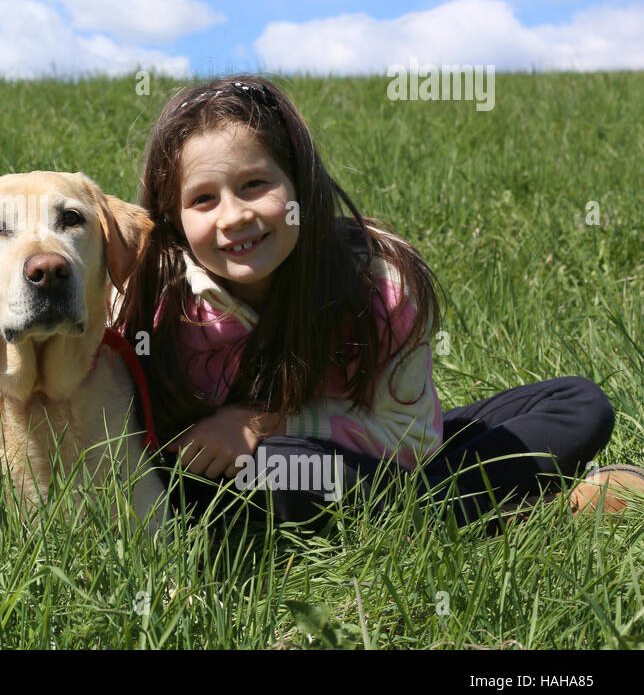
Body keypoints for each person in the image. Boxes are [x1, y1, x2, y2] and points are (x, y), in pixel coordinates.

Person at [114, 75, 642, 526]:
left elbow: (411, 442)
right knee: (281, 466)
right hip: (240, 490)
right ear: (173, 219)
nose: (233, 216)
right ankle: (526, 513)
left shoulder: (378, 280)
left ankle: (441, 511)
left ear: (301, 186)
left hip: (370, 454)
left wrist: (263, 421)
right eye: (203, 199)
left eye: (255, 184)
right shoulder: (154, 301)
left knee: (579, 402)